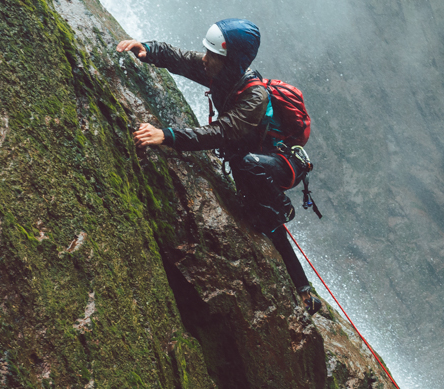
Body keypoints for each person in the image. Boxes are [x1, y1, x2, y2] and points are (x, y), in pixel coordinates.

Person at [117, 21, 320, 313]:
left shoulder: (254, 97)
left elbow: (220, 133)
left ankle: (282, 209)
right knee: (258, 208)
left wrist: (166, 136)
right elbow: (180, 59)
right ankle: (304, 291)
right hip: (249, 158)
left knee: (265, 210)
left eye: (212, 54)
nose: (204, 58)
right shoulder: (222, 72)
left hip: (276, 162)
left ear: (231, 62)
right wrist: (147, 49)